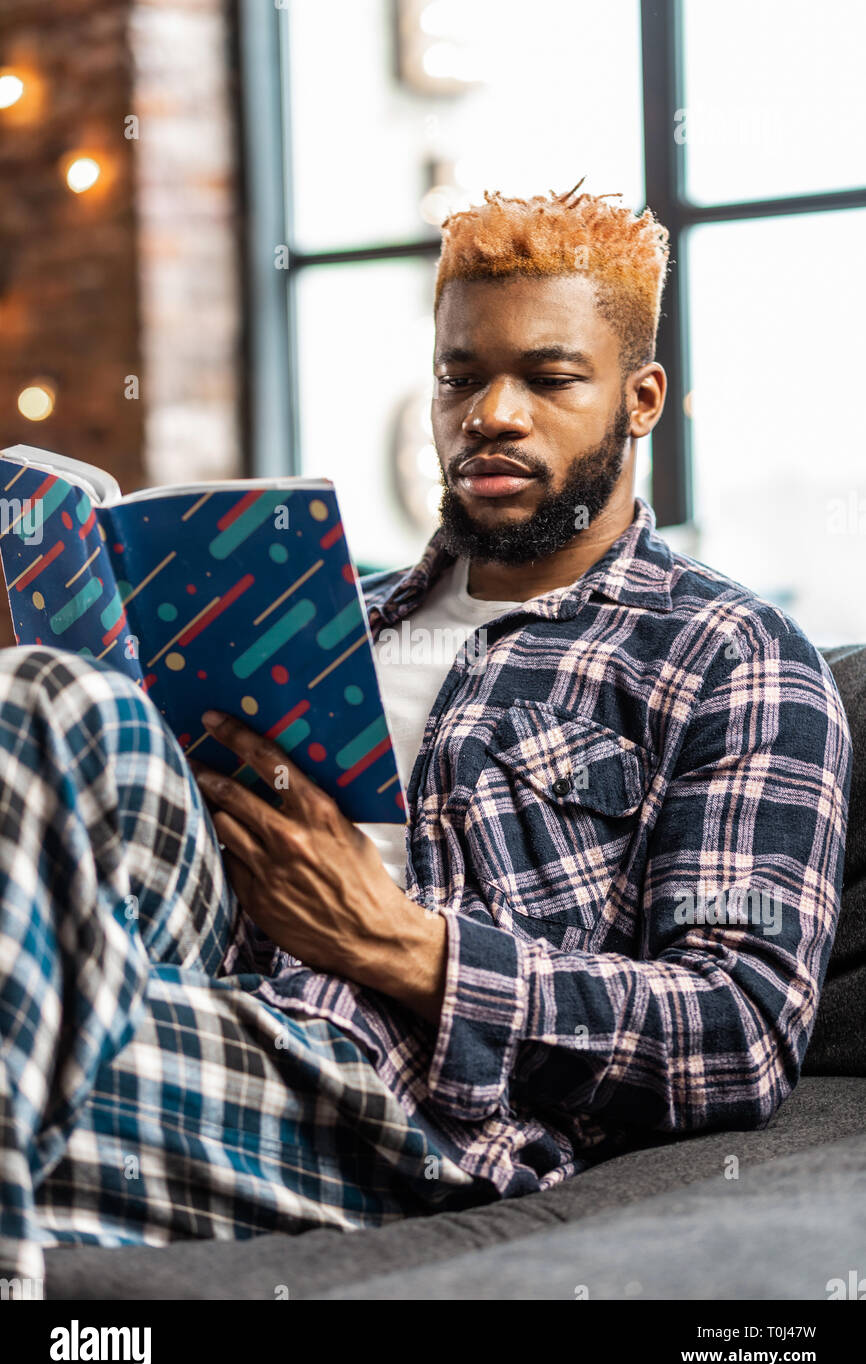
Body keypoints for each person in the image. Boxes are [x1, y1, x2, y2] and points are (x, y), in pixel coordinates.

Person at [0, 186, 851, 1295]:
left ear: (639, 399)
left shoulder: (728, 654)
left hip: (400, 1106)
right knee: (54, 693)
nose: (490, 413)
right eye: (460, 376)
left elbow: (736, 1033)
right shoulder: (331, 612)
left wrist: (399, 944)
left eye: (546, 378)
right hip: (186, 974)